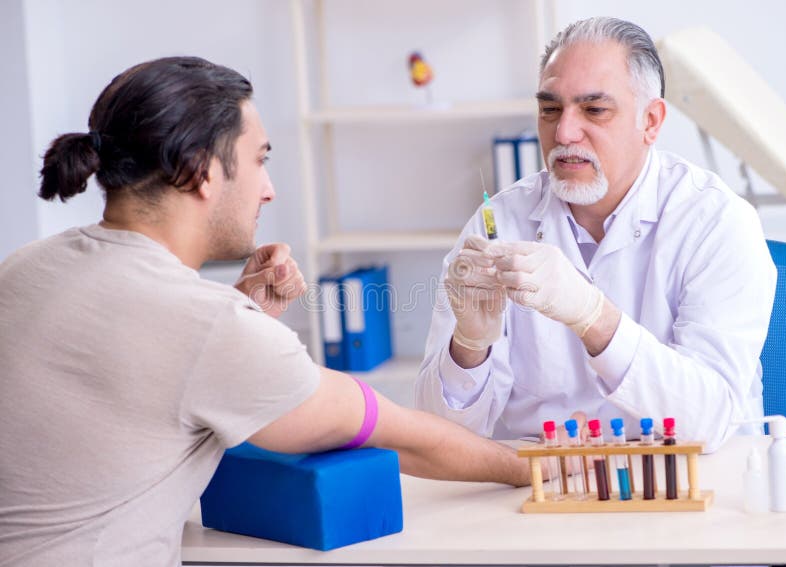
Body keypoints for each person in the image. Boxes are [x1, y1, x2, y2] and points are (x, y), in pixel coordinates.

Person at [0, 57, 531, 567]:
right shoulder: (208, 326)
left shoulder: (24, 267)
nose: (270, 190)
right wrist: (525, 467)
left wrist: (245, 315)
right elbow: (397, 433)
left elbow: (141, 395)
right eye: (260, 159)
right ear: (200, 172)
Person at [415, 17, 776, 452]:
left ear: (651, 121)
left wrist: (594, 316)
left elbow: (709, 420)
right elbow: (439, 437)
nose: (564, 133)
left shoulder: (716, 222)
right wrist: (468, 348)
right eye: (550, 109)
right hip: (541, 489)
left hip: (690, 483)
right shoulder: (499, 223)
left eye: (594, 110)